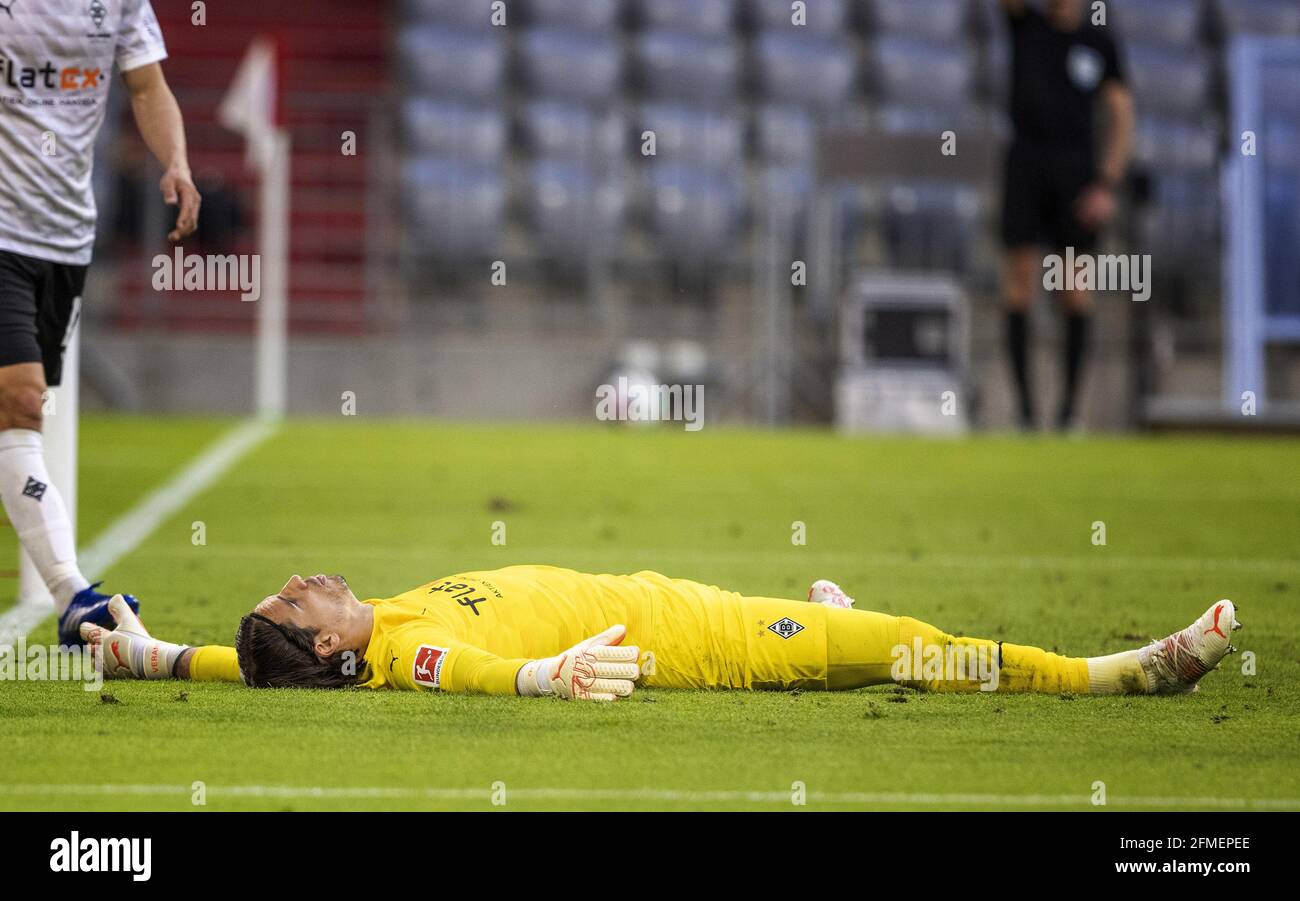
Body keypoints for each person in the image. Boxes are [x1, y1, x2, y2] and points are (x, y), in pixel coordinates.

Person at [83, 565, 1239, 701]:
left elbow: (241, 666)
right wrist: (544, 676)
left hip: (697, 600)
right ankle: (1124, 676)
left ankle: (826, 637)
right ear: (332, 648)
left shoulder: (348, 640)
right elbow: (473, 670)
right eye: (299, 604)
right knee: (912, 648)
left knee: (862, 640)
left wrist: (143, 651)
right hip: (720, 638)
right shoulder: (400, 654)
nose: (299, 583)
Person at [0, 1, 200, 644]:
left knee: (21, 413)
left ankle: (67, 595)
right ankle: (74, 597)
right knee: (21, 401)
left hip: (63, 239)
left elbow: (147, 86)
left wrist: (177, 162)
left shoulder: (118, 4)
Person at [999, 0, 1135, 429]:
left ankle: (1068, 413)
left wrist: (1107, 183)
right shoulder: (1026, 26)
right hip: (1026, 164)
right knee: (1019, 284)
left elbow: (1121, 114)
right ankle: (1024, 413)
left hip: (1076, 173)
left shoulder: (1099, 42)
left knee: (1073, 288)